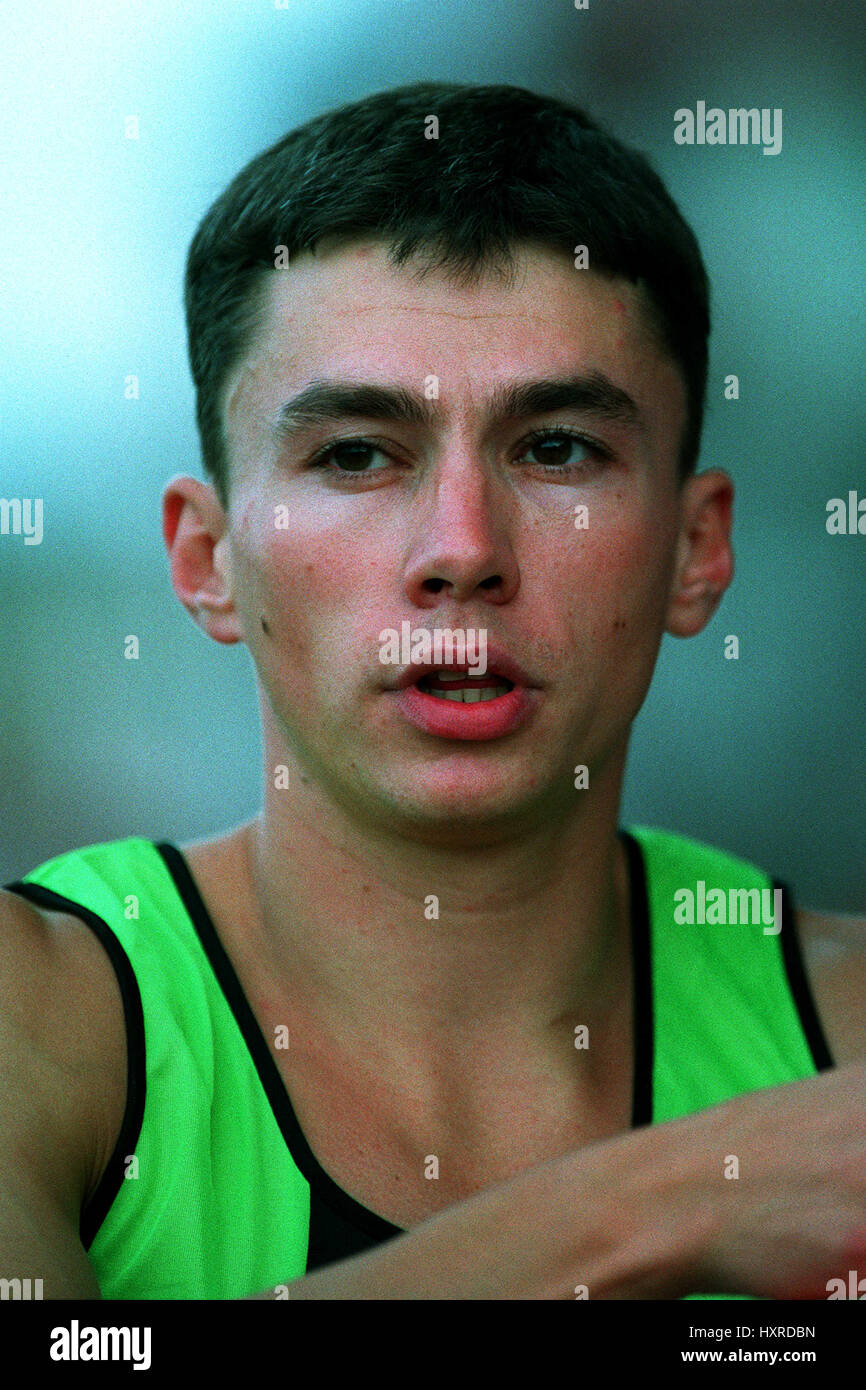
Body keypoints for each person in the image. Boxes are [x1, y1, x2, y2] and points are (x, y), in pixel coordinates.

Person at [2, 82, 865, 1303]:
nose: (462, 546)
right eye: (356, 455)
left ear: (694, 550)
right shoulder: (42, 1012)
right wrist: (664, 1205)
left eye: (555, 446)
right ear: (206, 560)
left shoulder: (847, 1037)